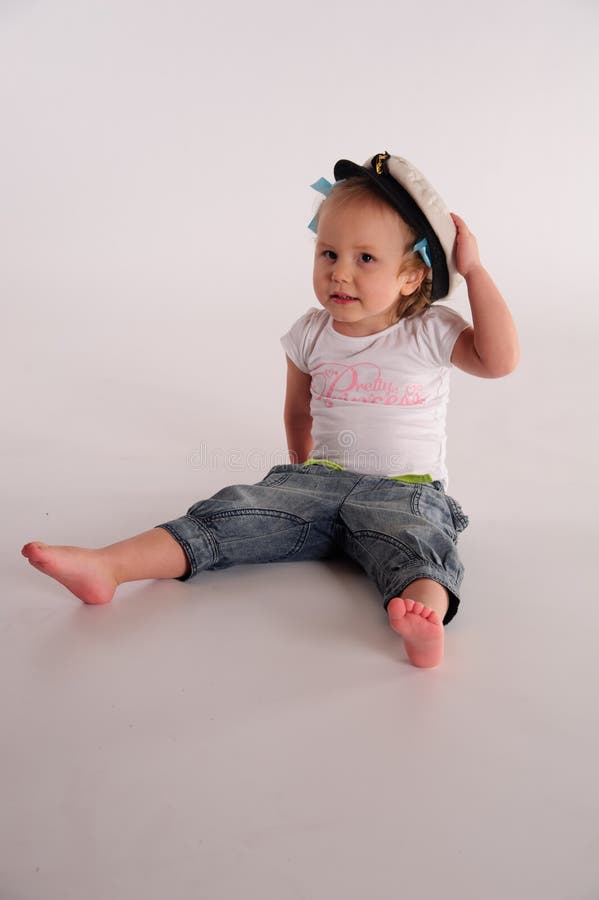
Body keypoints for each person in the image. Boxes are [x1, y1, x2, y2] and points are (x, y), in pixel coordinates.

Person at [21, 151, 519, 668]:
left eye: (365, 259)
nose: (340, 273)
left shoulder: (430, 331)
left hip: (406, 488)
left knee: (420, 542)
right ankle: (109, 566)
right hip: (320, 480)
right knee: (234, 511)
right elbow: (297, 412)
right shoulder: (310, 332)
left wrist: (475, 270)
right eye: (329, 254)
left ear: (411, 277)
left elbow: (498, 360)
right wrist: (296, 478)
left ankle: (424, 619)